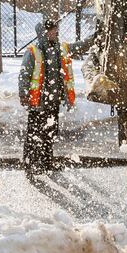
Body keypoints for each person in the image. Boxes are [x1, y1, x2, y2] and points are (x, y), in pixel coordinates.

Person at [19, 15, 76, 172]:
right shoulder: (34, 51)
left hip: (53, 101)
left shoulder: (59, 49)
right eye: (51, 32)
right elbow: (24, 74)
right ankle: (30, 164)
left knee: (49, 133)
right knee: (34, 134)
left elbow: (78, 46)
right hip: (38, 102)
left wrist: (94, 39)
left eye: (55, 31)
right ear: (44, 33)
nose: (54, 34)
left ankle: (46, 162)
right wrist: (23, 94)